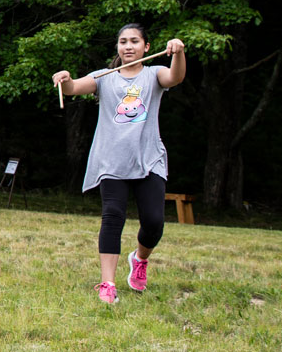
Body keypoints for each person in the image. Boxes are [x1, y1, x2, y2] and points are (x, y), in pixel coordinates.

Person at [53, 24, 187, 305]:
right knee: (112, 217)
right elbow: (74, 87)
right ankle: (108, 284)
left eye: (134, 41)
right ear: (117, 47)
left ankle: (139, 260)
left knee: (153, 222)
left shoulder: (153, 75)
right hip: (112, 161)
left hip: (149, 159)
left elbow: (175, 77)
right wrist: (64, 79)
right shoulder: (105, 77)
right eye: (123, 41)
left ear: (146, 47)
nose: (128, 46)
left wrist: (178, 51)